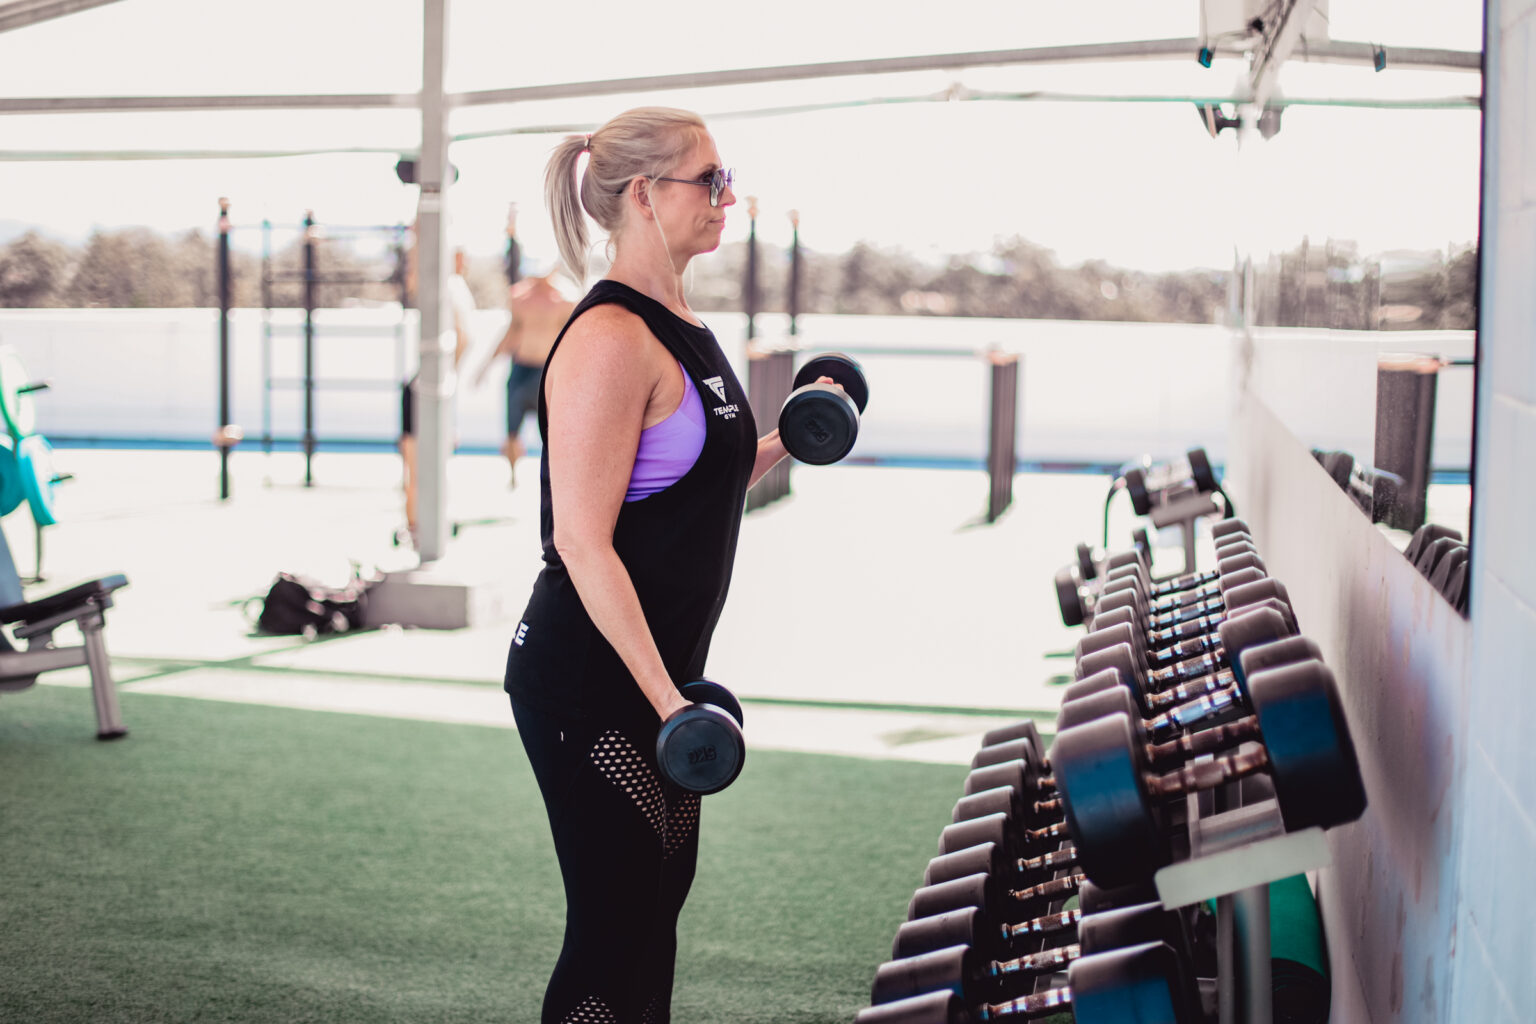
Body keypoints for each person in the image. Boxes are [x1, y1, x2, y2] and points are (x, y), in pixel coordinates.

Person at [503, 107, 806, 1023]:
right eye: (708, 179)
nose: (728, 197)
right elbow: (581, 541)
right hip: (589, 680)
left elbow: (698, 480)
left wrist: (792, 434)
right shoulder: (607, 338)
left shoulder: (679, 323)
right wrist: (668, 699)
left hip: (656, 678)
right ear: (643, 193)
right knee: (614, 925)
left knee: (655, 910)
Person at [474, 229, 576, 487]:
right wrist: (486, 365)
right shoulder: (520, 296)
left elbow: (572, 341)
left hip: (547, 373)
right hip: (521, 370)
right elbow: (511, 333)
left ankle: (554, 482)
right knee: (511, 431)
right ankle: (512, 476)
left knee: (554, 433)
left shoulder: (566, 299)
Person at [399, 245, 476, 543]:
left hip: (429, 386)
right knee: (423, 463)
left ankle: (420, 528)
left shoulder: (448, 286)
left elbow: (464, 339)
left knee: (418, 466)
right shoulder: (451, 286)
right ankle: (419, 525)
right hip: (432, 384)